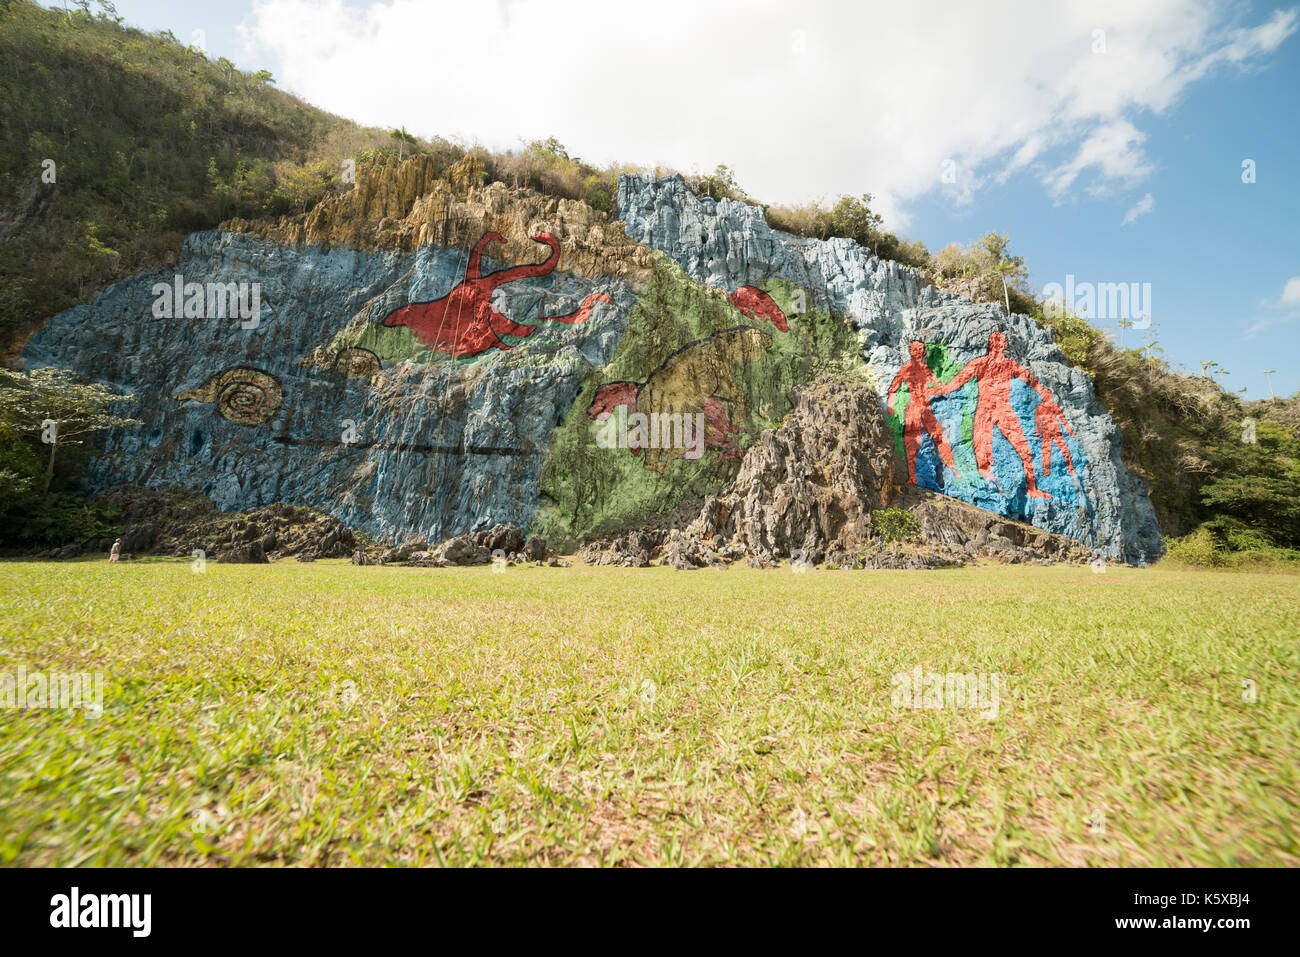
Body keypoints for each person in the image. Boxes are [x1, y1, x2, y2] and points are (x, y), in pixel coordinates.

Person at [931, 331, 1050, 499]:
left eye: (1001, 344)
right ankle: (988, 485)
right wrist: (937, 390)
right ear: (990, 345)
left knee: (1024, 450)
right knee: (982, 451)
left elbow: (1029, 379)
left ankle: (1032, 488)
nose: (998, 347)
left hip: (1004, 410)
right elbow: (957, 382)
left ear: (1004, 346)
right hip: (985, 410)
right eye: (995, 344)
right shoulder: (980, 363)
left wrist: (1042, 391)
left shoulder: (1010, 365)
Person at [886, 340, 960, 486]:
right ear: (910, 351)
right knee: (911, 440)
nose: (918, 351)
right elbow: (894, 387)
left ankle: (952, 467)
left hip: (926, 407)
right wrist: (890, 407)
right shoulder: (906, 368)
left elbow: (940, 387)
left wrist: (930, 391)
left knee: (939, 436)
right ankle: (912, 476)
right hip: (913, 407)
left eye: (920, 349)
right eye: (915, 349)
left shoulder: (926, 369)